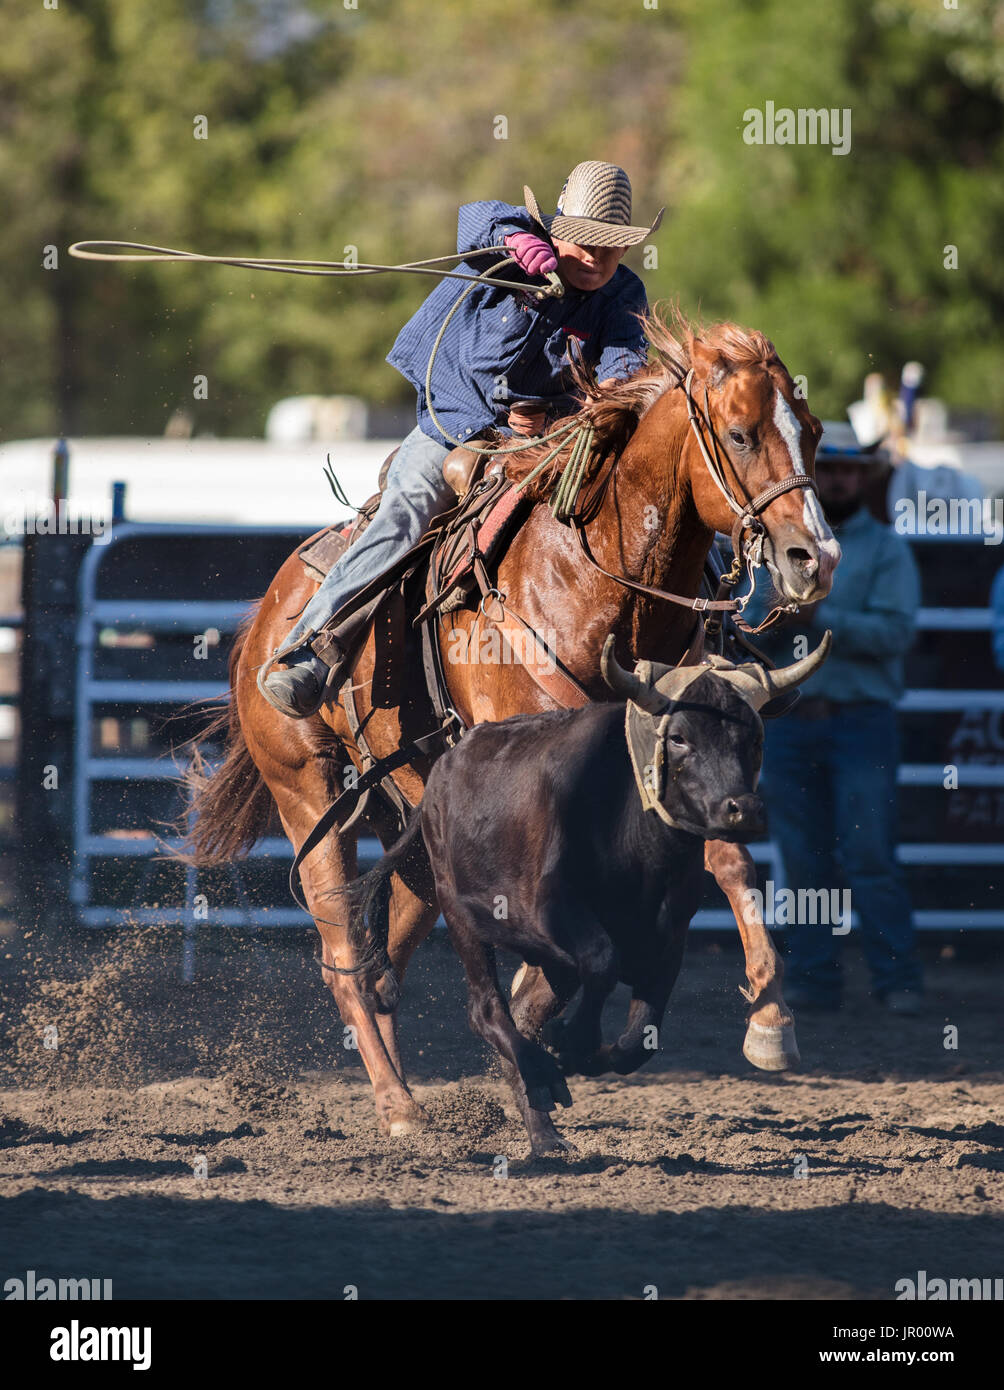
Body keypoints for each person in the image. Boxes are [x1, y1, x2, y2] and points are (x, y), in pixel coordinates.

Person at [261, 161, 664, 717]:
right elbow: (477, 223)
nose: (597, 259)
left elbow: (624, 357)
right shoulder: (508, 245)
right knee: (406, 513)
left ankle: (715, 644)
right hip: (455, 425)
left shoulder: (624, 293)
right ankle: (307, 653)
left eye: (612, 247)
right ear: (557, 228)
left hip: (558, 440)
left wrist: (613, 393)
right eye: (585, 243)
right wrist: (517, 244)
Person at [743, 421, 924, 1013]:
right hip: (799, 723)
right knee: (804, 858)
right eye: (833, 469)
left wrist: (817, 622)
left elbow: (897, 634)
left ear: (862, 477)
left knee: (868, 852)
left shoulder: (886, 548)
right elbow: (746, 623)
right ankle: (824, 980)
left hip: (858, 719)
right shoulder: (785, 541)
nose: (842, 478)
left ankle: (893, 980)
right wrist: (772, 618)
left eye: (851, 470)